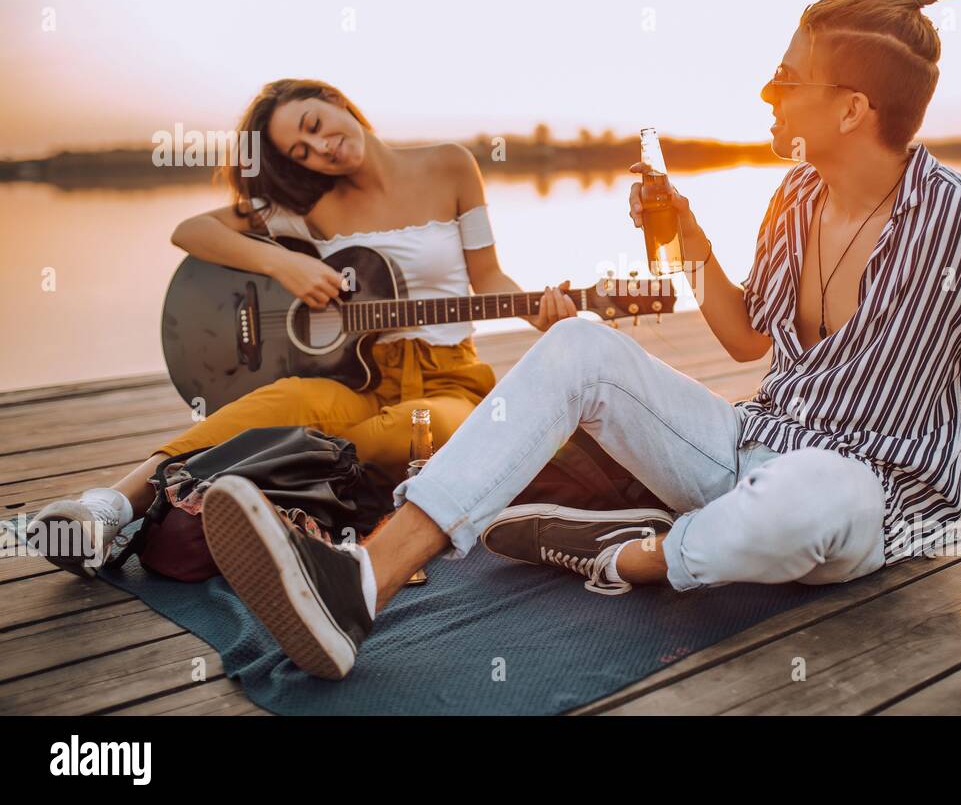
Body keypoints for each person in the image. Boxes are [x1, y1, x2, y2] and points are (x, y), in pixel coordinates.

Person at [198, 0, 961, 680]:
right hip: (745, 446)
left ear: (851, 106)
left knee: (807, 490)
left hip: (869, 493)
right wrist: (682, 232)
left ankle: (627, 555)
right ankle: (360, 582)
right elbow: (740, 341)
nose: (767, 91)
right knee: (579, 343)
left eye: (787, 78)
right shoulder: (793, 196)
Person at [25, 78, 576, 579]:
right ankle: (107, 509)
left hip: (449, 382)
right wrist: (285, 263)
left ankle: (251, 504)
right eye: (301, 151)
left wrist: (540, 311)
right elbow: (190, 231)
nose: (321, 148)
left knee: (395, 433)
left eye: (315, 126)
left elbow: (488, 277)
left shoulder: (452, 166)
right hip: (351, 381)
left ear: (334, 99)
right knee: (265, 409)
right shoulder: (305, 207)